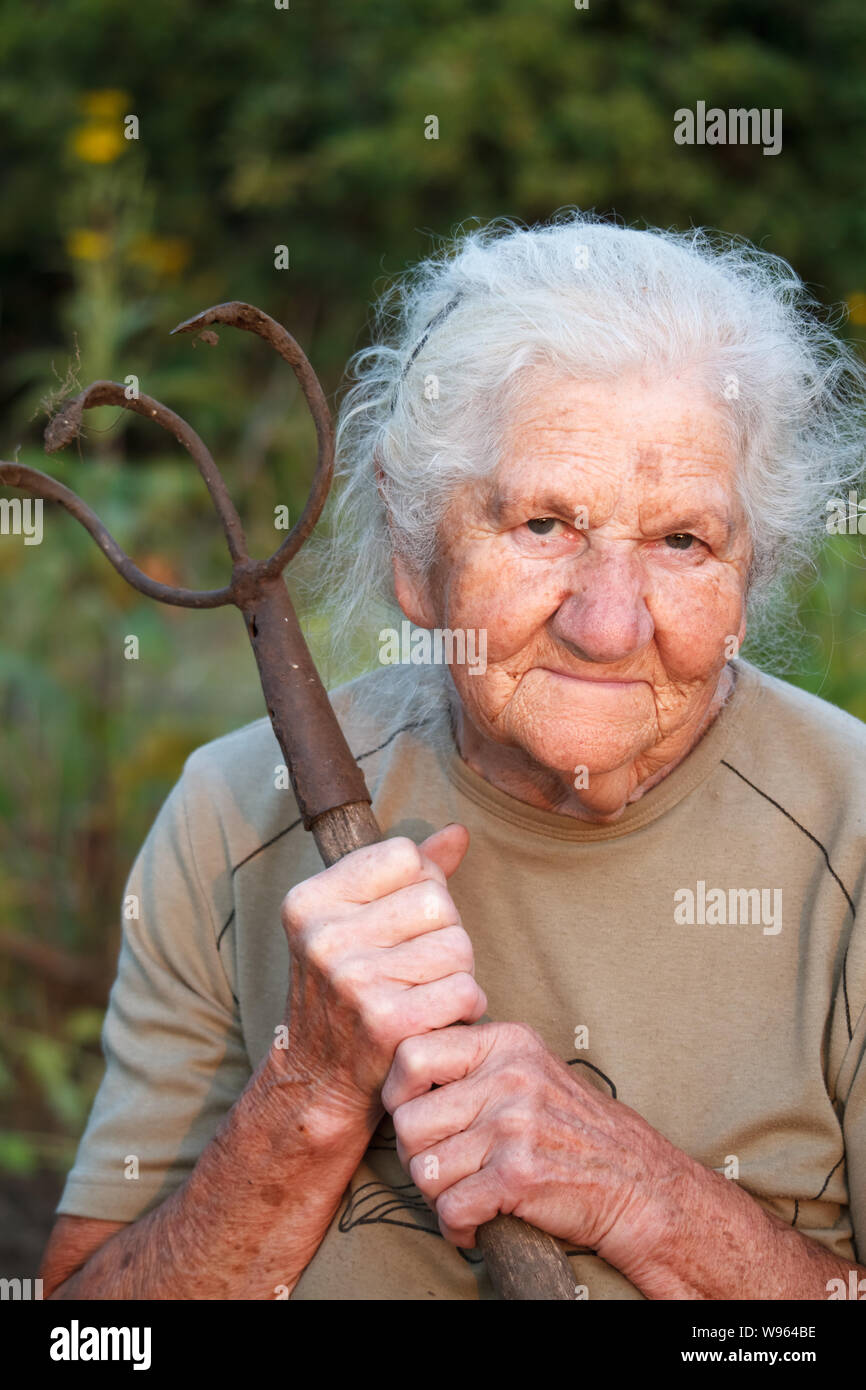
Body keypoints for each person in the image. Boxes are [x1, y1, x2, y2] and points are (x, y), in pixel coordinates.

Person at [40, 212, 866, 1299]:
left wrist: (644, 1198)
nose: (609, 623)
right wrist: (311, 1089)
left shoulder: (844, 836)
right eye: (543, 525)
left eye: (681, 540)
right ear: (412, 551)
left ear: (749, 580)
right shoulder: (233, 816)